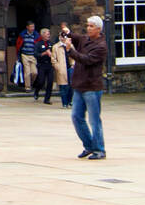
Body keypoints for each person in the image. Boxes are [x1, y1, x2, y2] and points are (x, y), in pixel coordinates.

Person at [64, 16, 107, 160]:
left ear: (98, 29)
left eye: (91, 26)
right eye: (87, 26)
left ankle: (99, 149)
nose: (88, 28)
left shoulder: (101, 46)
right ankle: (89, 145)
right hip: (79, 85)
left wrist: (70, 50)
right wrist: (67, 32)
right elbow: (75, 37)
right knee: (76, 117)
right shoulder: (85, 39)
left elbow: (86, 60)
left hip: (92, 87)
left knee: (94, 120)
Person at [50, 27, 72, 108]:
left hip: (69, 67)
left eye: (65, 36)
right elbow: (53, 59)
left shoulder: (70, 45)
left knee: (71, 86)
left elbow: (73, 55)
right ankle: (64, 103)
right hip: (61, 68)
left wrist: (73, 65)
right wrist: (57, 67)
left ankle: (69, 101)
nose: (63, 38)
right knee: (63, 87)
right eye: (62, 36)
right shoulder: (56, 47)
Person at [32, 29, 54, 104]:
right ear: (43, 35)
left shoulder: (51, 43)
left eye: (49, 34)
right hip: (41, 64)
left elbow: (54, 53)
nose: (48, 35)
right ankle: (36, 90)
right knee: (41, 81)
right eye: (47, 34)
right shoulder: (38, 44)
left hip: (49, 65)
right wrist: (44, 53)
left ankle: (47, 99)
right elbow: (35, 54)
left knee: (50, 81)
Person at [17, 21, 38, 91]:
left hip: (33, 55)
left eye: (33, 27)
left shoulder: (35, 35)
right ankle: (27, 87)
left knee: (34, 72)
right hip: (25, 54)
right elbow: (19, 44)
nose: (32, 28)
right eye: (31, 27)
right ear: (27, 27)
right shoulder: (23, 35)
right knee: (27, 72)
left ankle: (31, 83)